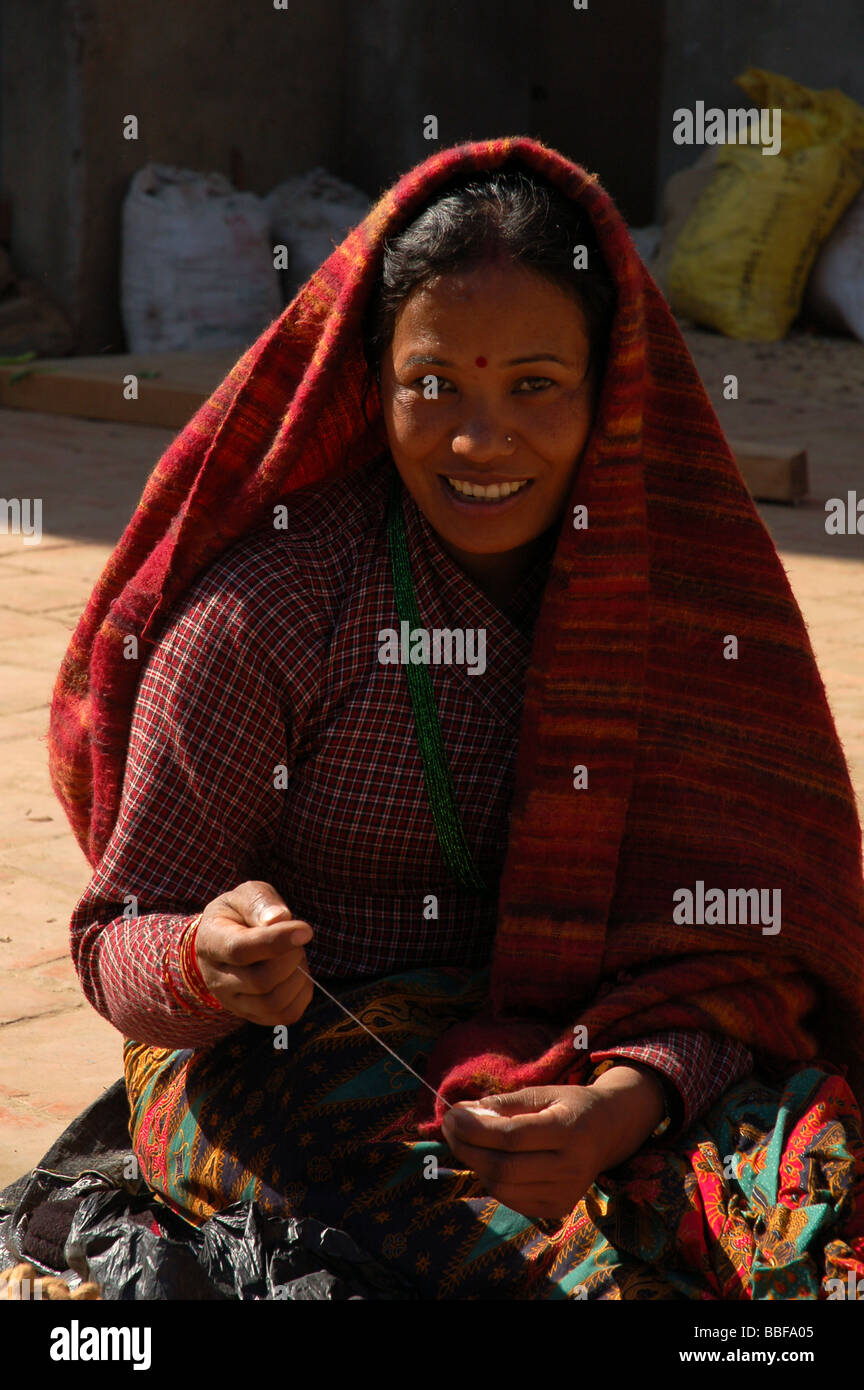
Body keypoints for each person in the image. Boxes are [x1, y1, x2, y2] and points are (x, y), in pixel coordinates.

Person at [50, 137, 864, 1299]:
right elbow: (111, 934)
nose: (482, 441)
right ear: (370, 382)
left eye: (535, 385)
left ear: (608, 385)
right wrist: (205, 958)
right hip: (303, 1068)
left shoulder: (688, 611)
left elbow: (741, 959)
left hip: (593, 1055)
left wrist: (621, 1101)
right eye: (435, 387)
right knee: (525, 1253)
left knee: (811, 1195)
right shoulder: (273, 608)